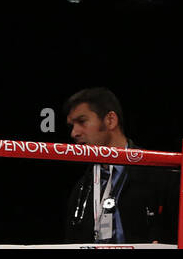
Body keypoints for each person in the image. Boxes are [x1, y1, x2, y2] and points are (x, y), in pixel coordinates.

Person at [62, 87, 177, 245]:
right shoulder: (82, 188)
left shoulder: (158, 172)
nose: (74, 133)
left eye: (82, 121)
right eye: (72, 125)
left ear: (110, 120)